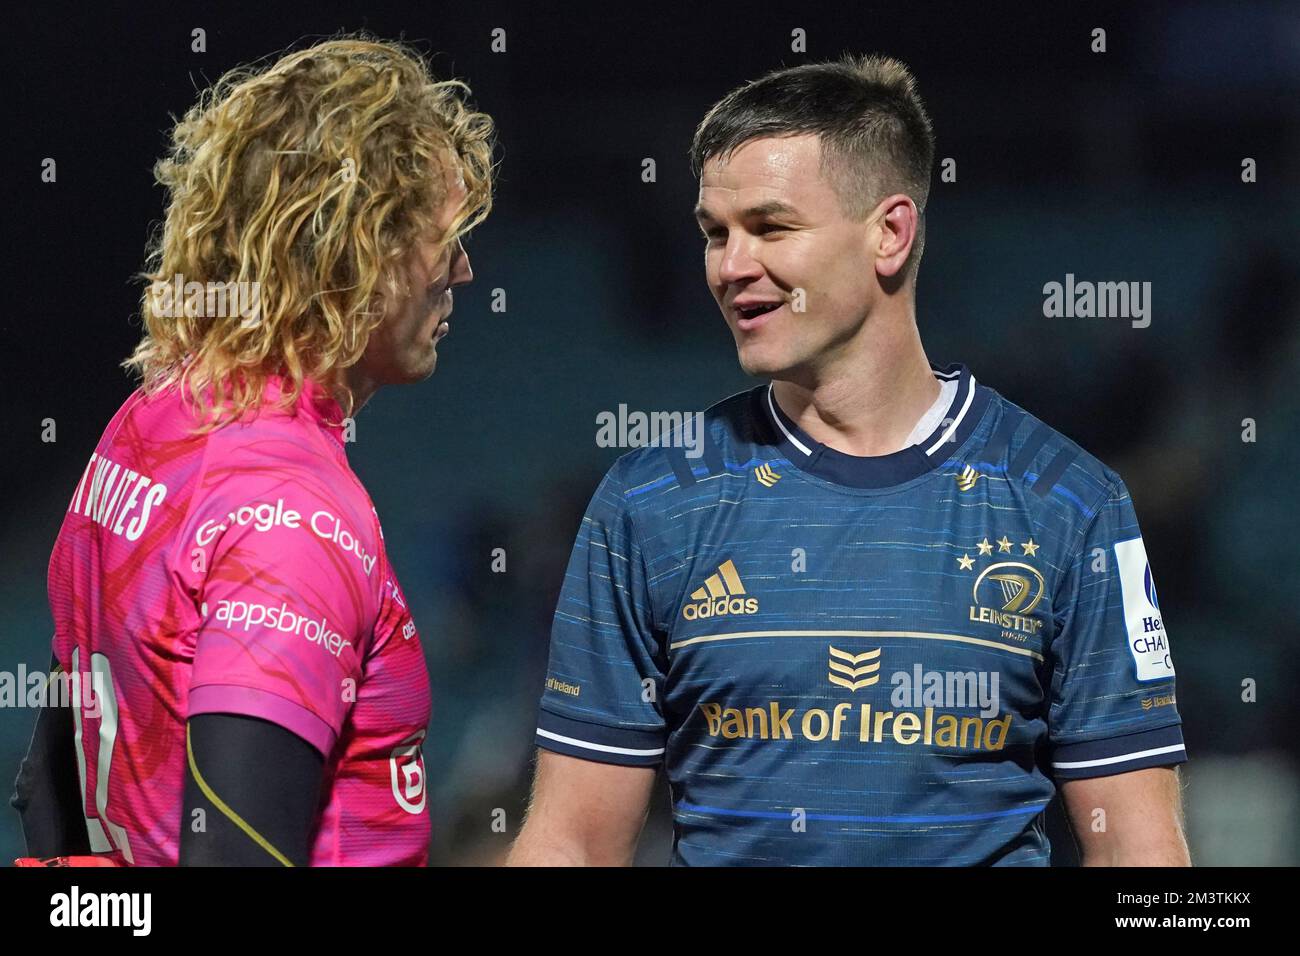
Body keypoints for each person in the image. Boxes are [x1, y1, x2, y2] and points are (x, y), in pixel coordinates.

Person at [509, 55, 1188, 866]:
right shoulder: (649, 502)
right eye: (714, 234)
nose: (730, 267)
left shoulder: (1070, 502)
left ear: (890, 234)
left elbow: (1139, 854)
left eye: (770, 227)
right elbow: (574, 844)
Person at [10, 36, 494, 866]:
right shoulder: (292, 516)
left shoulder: (151, 418)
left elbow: (43, 791)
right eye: (444, 238)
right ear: (358, 249)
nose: (464, 269)